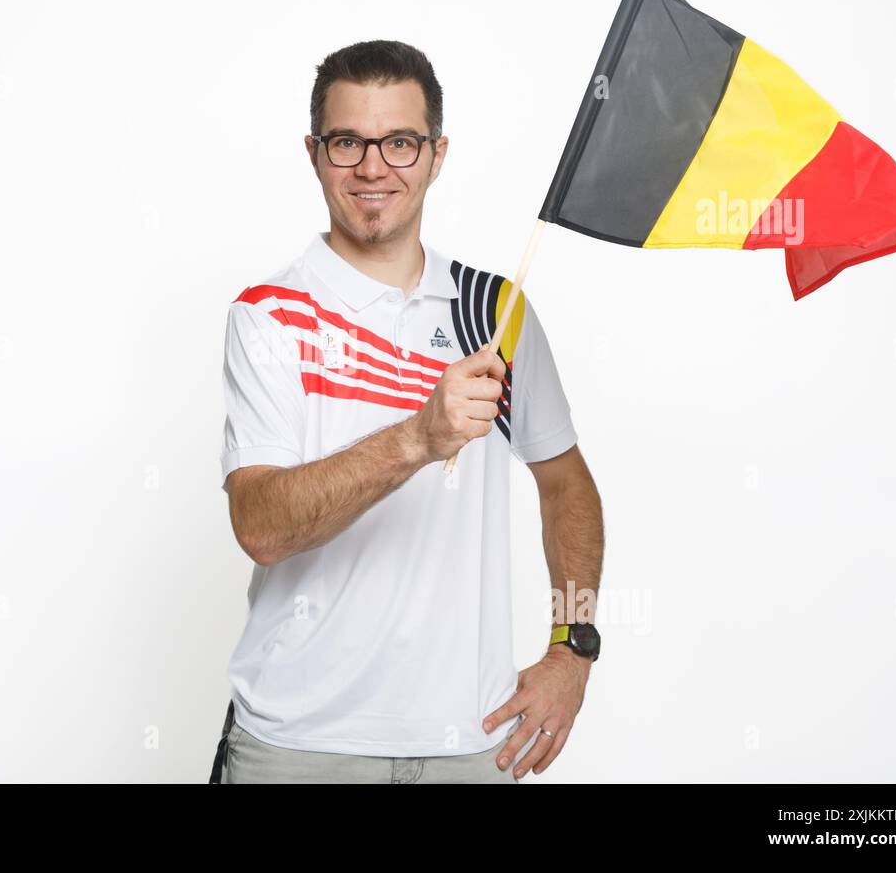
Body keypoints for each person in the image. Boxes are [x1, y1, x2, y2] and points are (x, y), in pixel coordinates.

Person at [211, 40, 605, 784]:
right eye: (346, 142)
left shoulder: (496, 311)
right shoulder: (269, 317)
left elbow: (568, 485)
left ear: (436, 154)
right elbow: (260, 527)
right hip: (300, 747)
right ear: (314, 152)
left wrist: (572, 646)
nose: (371, 167)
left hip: (474, 742)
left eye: (398, 142)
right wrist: (418, 438)